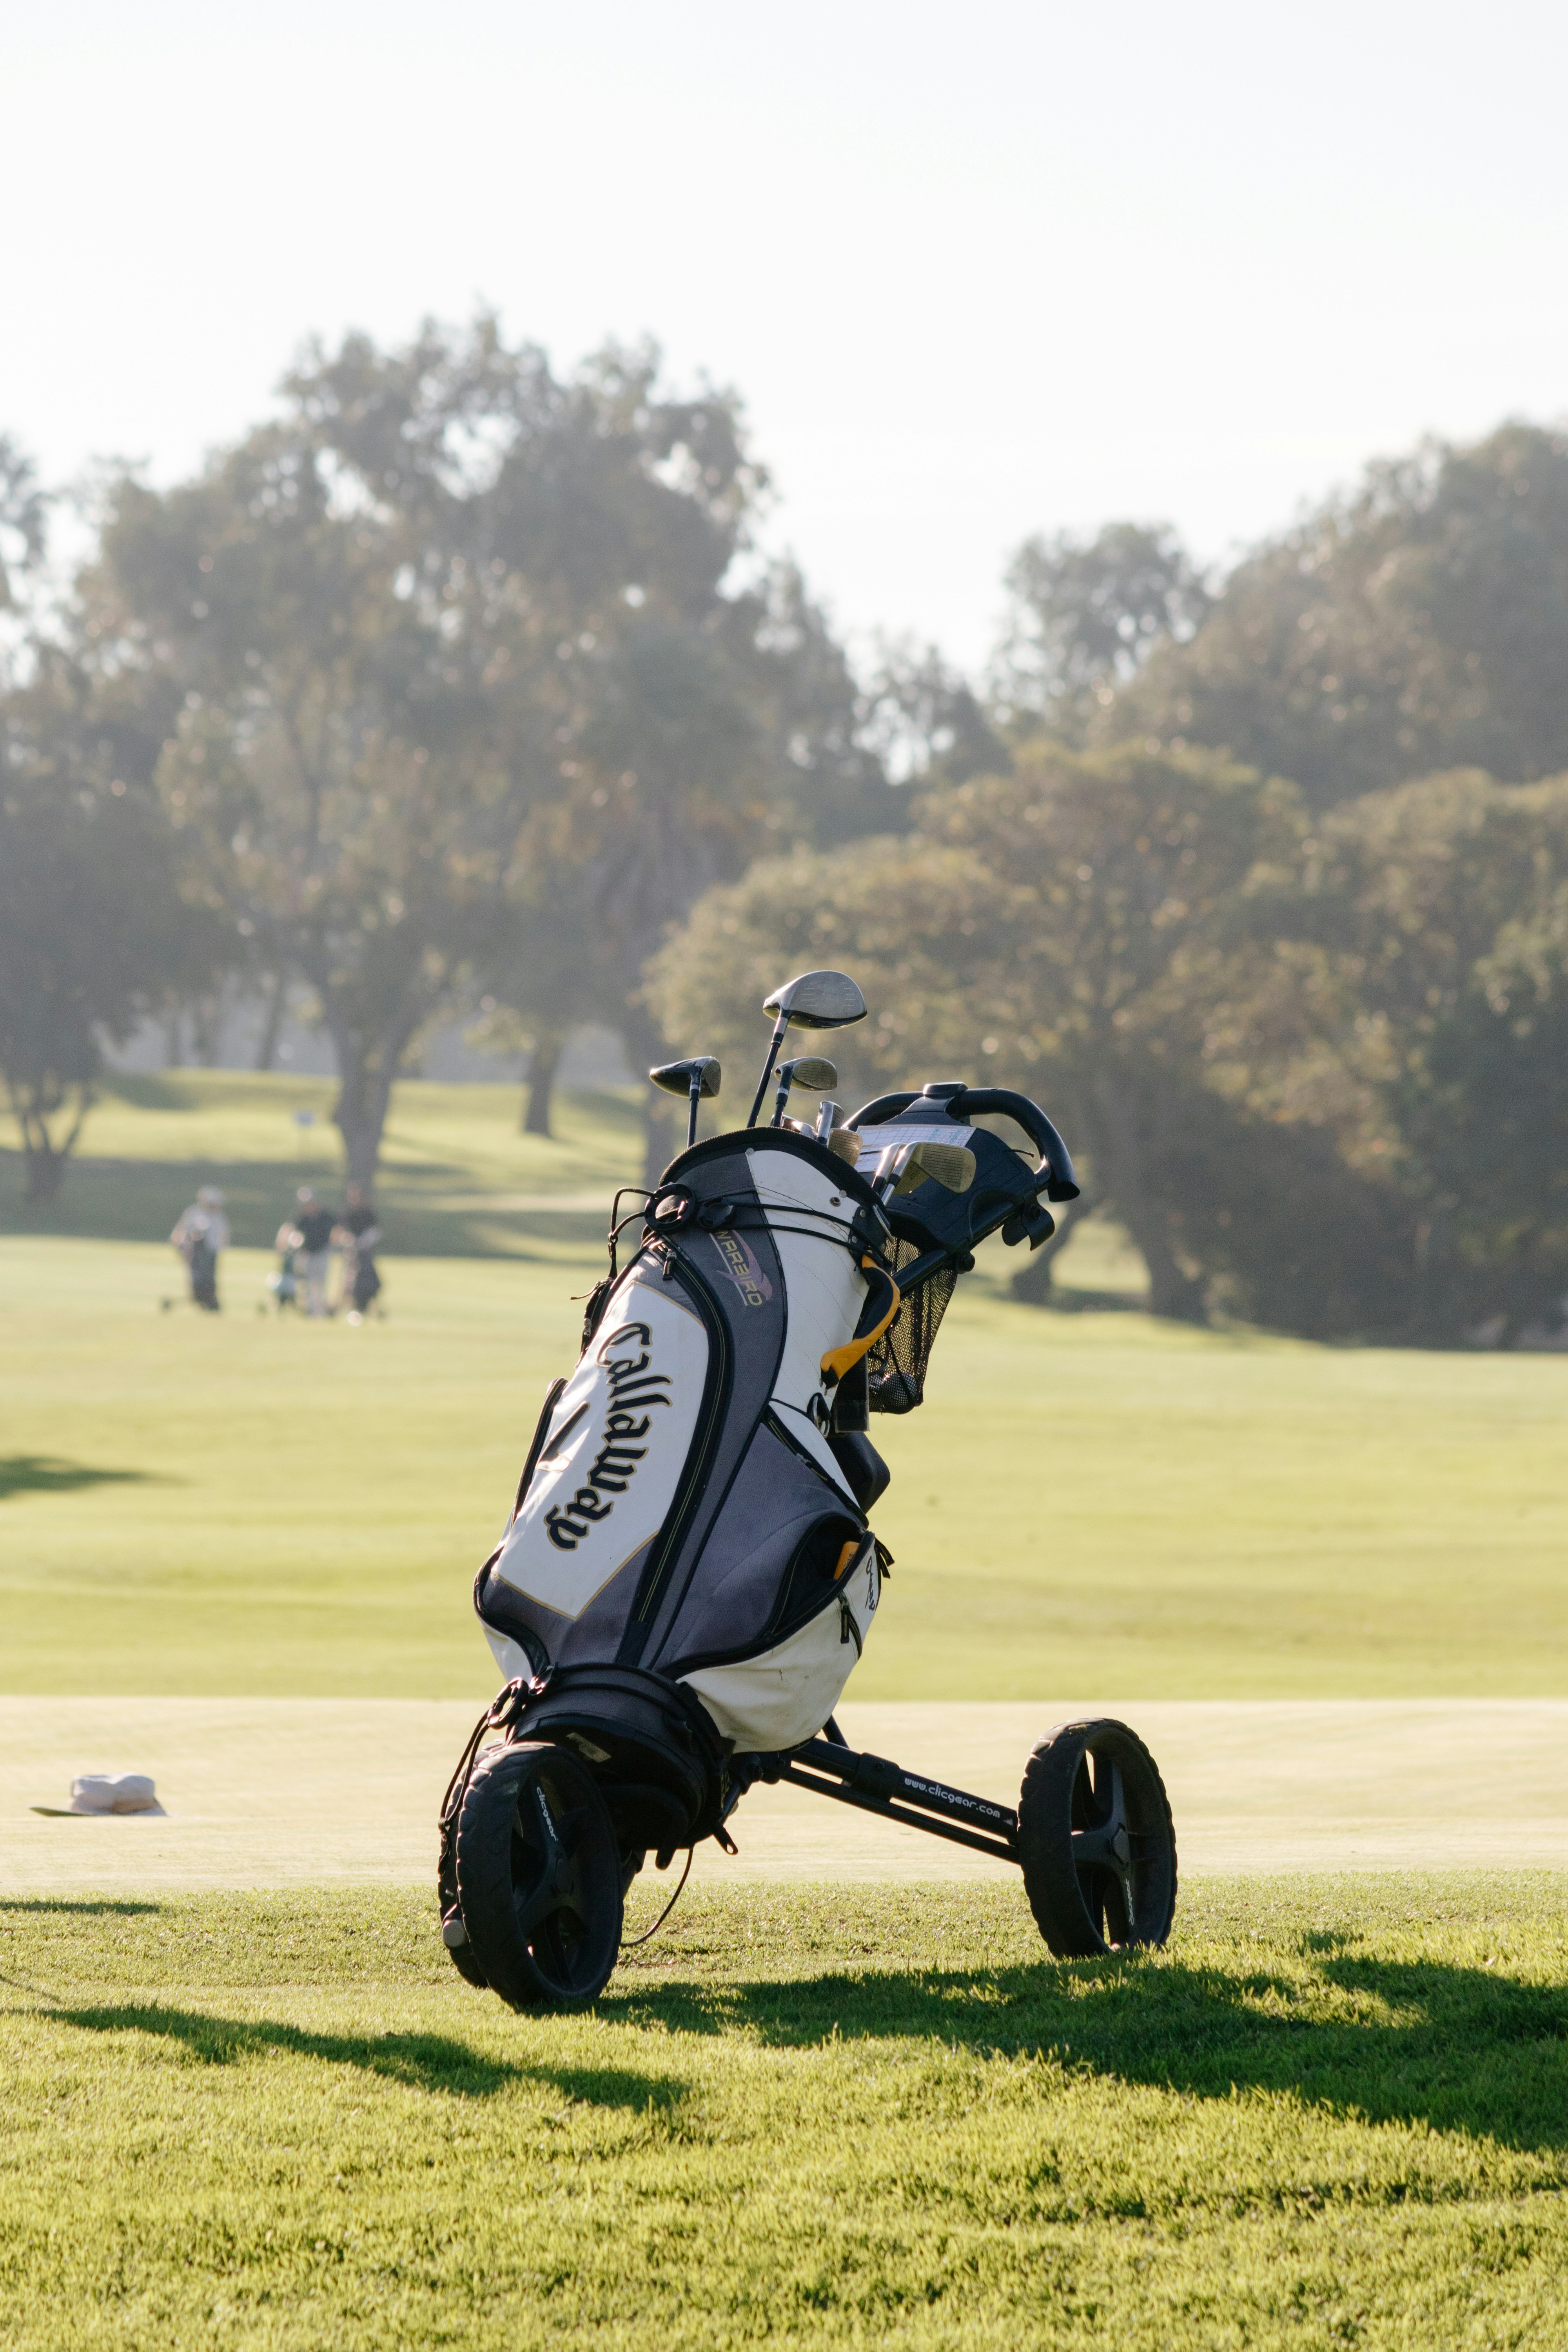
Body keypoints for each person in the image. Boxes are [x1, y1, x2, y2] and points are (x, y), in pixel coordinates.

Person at [170, 1187, 230, 1312]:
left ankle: (209, 1300)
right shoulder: (194, 1213)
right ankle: (200, 1299)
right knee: (197, 1277)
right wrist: (182, 1247)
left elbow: (222, 1237)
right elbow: (182, 1231)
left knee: (209, 1277)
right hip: (196, 1252)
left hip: (211, 1252)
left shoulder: (219, 1218)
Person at [334, 1183, 383, 1323]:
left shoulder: (368, 1214)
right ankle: (346, 1308)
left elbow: (375, 1232)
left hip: (366, 1255)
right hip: (351, 1255)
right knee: (349, 1282)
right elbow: (339, 1233)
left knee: (369, 1281)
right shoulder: (347, 1213)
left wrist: (365, 1241)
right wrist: (348, 1240)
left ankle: (368, 1308)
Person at [292, 1186, 338, 1317]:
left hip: (323, 1252)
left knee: (321, 1282)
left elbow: (337, 1229)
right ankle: (310, 1309)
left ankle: (319, 1310)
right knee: (308, 1283)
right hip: (308, 1254)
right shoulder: (302, 1218)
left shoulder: (326, 1216)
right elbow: (295, 1233)